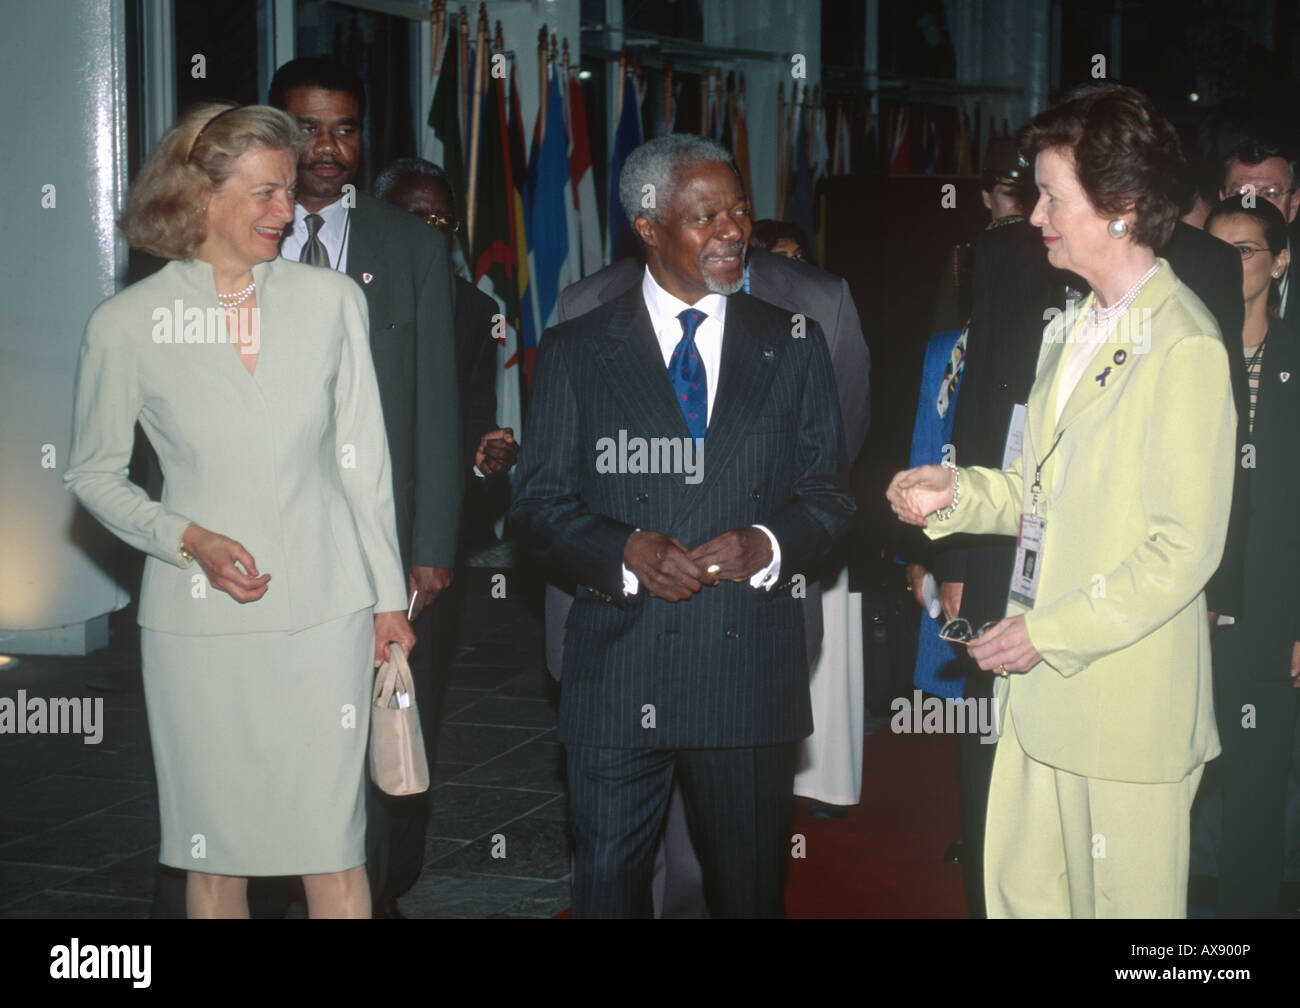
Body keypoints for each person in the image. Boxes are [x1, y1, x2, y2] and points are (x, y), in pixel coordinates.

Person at [888, 84, 1235, 918]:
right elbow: (1043, 491)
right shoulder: (1073, 323)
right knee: (1022, 900)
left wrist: (1045, 634)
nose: (1034, 212)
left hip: (1121, 709)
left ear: (1118, 208)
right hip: (1037, 701)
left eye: (1051, 193)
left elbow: (1183, 549)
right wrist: (959, 493)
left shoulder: (1182, 345)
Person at [63, 102, 414, 919]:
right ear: (200, 195)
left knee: (334, 849)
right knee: (212, 855)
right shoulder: (127, 326)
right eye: (263, 193)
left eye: (288, 193)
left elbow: (364, 464)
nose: (286, 212)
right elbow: (92, 473)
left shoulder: (330, 302)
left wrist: (388, 598)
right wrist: (184, 538)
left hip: (327, 610)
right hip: (199, 625)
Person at [510, 135, 856, 917]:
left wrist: (765, 545)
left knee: (748, 894)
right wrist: (622, 551)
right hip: (617, 666)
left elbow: (831, 501)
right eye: (706, 217)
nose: (734, 231)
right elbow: (535, 505)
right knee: (607, 891)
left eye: (739, 209)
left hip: (747, 673)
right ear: (648, 225)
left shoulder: (793, 343)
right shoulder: (575, 348)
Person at [268, 56, 462, 919]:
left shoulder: (410, 246)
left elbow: (435, 408)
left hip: (371, 540)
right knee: (267, 731)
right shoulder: (233, 232)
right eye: (307, 127)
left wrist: (431, 548)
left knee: (374, 725)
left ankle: (368, 896)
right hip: (263, 530)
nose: (326, 147)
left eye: (344, 128)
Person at [373, 155, 518, 863]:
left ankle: (391, 878)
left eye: (441, 218)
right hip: (332, 537)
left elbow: (470, 420)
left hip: (425, 547)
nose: (430, 229)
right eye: (413, 215)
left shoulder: (477, 312)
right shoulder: (332, 293)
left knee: (411, 709)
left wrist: (483, 455)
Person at [1204, 195, 1300, 916]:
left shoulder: (1292, 360)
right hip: (1180, 612)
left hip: (1270, 612)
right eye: (1217, 247)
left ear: (1281, 260)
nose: (1230, 262)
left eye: (1246, 249)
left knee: (1257, 800)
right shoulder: (1178, 346)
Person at [1221, 141, 1299, 319]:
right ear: (1222, 199)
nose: (1253, 207)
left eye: (1270, 193)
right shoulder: (1195, 272)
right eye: (1242, 194)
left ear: (1294, 204)